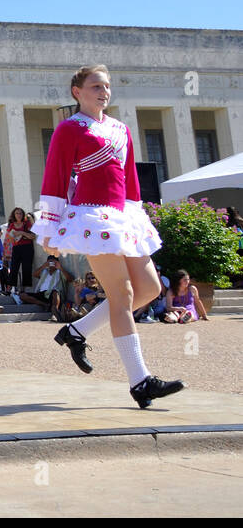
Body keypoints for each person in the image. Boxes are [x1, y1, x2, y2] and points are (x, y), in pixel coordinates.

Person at [36, 64, 182, 409]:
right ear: (78, 92)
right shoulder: (69, 130)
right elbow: (55, 178)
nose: (104, 92)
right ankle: (140, 381)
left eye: (107, 86)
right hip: (90, 217)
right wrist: (49, 227)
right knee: (123, 293)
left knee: (149, 289)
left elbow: (129, 178)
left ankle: (77, 331)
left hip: (123, 215)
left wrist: (137, 215)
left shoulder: (120, 128)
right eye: (96, 86)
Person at [25, 255, 75, 321]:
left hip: (52, 294)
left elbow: (70, 279)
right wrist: (44, 266)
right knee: (22, 295)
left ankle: (55, 311)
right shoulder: (44, 271)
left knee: (55, 292)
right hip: (41, 293)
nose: (51, 264)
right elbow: (35, 274)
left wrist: (60, 268)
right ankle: (45, 305)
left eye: (53, 262)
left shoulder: (60, 272)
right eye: (50, 262)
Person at [3, 207, 36, 293]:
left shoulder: (27, 223)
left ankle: (25, 288)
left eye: (20, 213)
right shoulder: (12, 225)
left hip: (27, 247)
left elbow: (32, 236)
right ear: (14, 215)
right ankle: (9, 288)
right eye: (17, 213)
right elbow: (10, 239)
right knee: (13, 267)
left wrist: (21, 233)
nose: (18, 215)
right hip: (16, 248)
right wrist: (14, 237)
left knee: (27, 267)